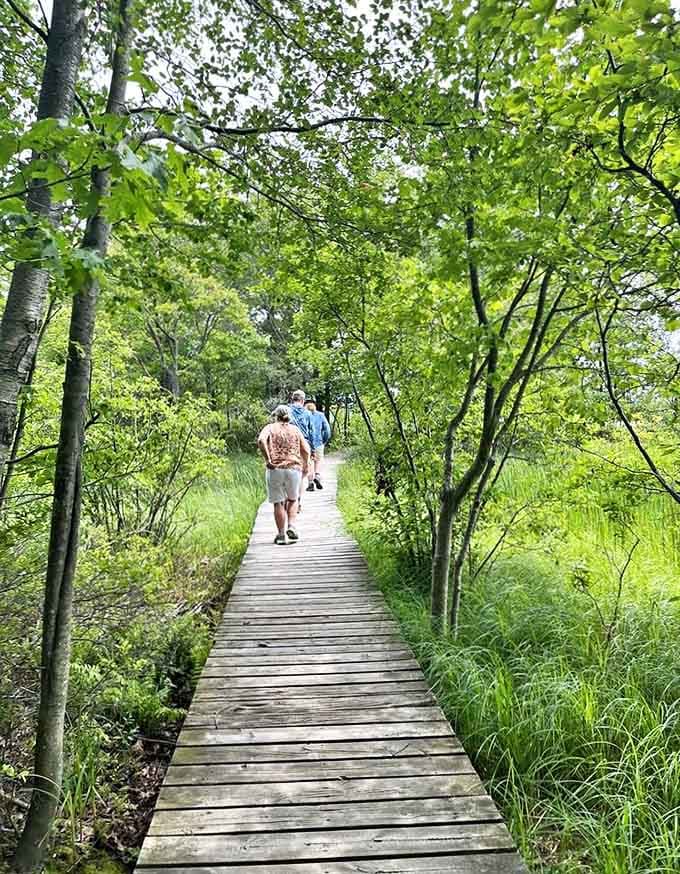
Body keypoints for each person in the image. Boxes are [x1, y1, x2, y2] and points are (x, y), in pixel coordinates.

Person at [257, 404, 310, 545]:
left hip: (275, 469)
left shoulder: (269, 428)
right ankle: (291, 526)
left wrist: (268, 459)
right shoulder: (295, 430)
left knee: (278, 502)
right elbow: (306, 450)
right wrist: (306, 466)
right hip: (293, 468)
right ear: (289, 416)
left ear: (276, 415)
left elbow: (261, 440)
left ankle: (281, 535)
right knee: (293, 500)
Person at [287, 389, 316, 509]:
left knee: (289, 472)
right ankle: (297, 501)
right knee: (300, 474)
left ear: (292, 399)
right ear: (303, 400)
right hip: (304, 444)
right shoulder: (308, 414)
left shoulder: (287, 410)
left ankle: (289, 498)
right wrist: (313, 449)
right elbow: (312, 432)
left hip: (289, 444)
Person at [305, 399, 331, 490]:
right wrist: (323, 440)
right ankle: (317, 476)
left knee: (310, 462)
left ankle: (310, 482)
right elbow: (327, 430)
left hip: (306, 443)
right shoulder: (321, 415)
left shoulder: (303, 416)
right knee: (319, 460)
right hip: (318, 442)